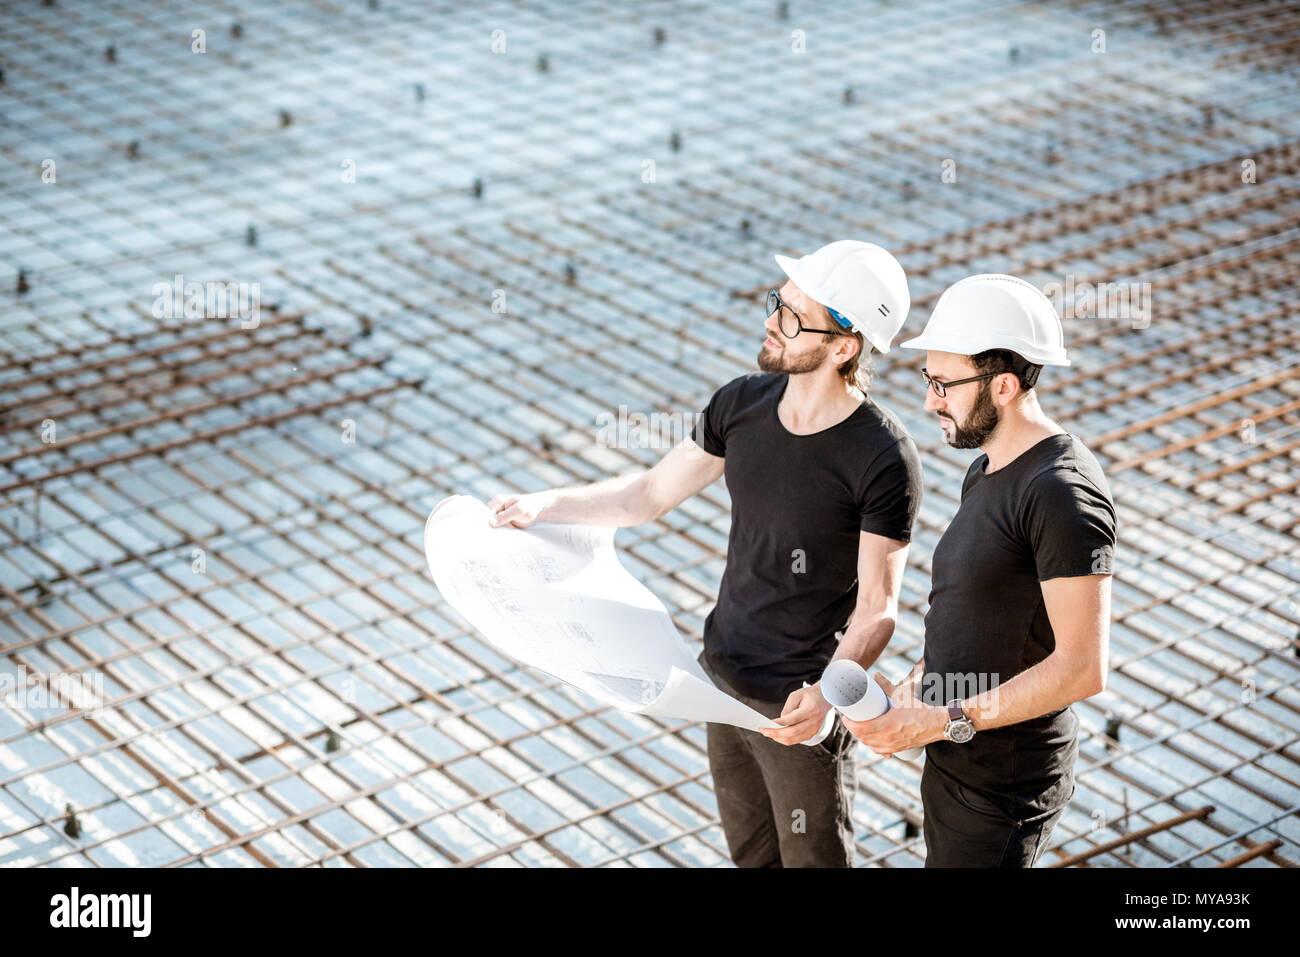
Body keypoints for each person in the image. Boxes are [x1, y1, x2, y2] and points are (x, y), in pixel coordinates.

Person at [486, 240, 923, 866]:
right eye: (779, 302)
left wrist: (828, 692)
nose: (772, 320)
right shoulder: (741, 404)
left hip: (796, 702)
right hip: (718, 678)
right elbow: (646, 496)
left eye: (794, 317)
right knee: (751, 856)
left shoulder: (881, 458)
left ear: (843, 347)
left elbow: (878, 608)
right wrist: (546, 504)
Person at [843, 273, 1116, 867]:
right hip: (956, 754)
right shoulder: (988, 467)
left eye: (943, 384)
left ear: (1004, 386)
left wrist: (943, 721)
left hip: (1004, 785)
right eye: (928, 379)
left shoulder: (1061, 495)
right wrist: (915, 691)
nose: (928, 401)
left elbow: (1082, 669)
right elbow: (973, 611)